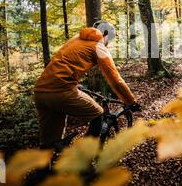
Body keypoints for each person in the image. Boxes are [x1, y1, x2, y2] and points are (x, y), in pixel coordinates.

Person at [34, 20, 140, 148]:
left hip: (40, 92)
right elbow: (115, 80)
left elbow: (64, 62)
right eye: (109, 40)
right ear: (105, 35)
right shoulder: (98, 47)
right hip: (61, 92)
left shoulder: (77, 39)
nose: (107, 44)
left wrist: (73, 83)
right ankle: (83, 160)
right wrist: (131, 101)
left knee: (49, 142)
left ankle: (47, 165)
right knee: (99, 115)